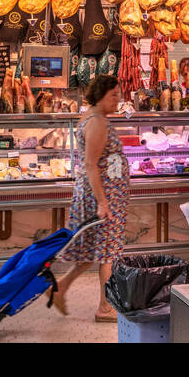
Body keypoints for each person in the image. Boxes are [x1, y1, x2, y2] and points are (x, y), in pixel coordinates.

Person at [52, 75, 130, 322]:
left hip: (101, 194)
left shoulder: (95, 118)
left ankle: (61, 288)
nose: (118, 100)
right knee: (108, 253)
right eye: (113, 95)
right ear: (100, 96)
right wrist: (103, 202)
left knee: (91, 251)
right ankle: (105, 308)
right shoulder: (97, 122)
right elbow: (91, 164)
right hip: (103, 195)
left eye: (118, 94)